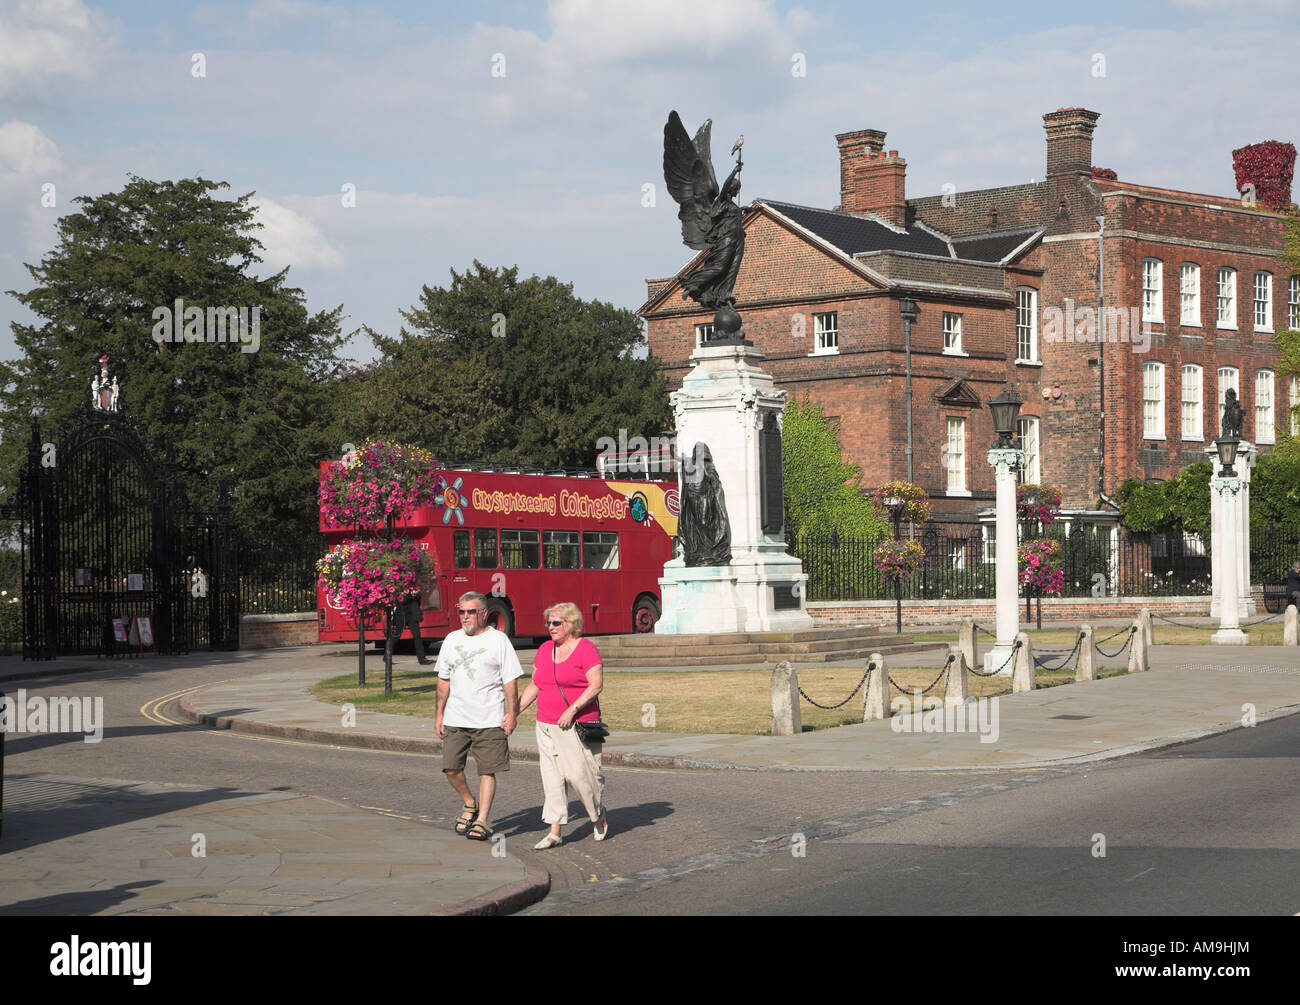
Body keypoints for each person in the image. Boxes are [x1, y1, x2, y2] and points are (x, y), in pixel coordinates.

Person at [517, 601, 608, 849]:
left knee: (580, 777)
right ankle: (555, 830)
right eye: (548, 622)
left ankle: (597, 813)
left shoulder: (586, 649)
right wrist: (514, 712)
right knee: (552, 778)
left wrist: (573, 708)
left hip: (576, 725)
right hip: (545, 724)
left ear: (571, 624)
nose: (550, 627)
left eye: (556, 623)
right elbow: (536, 684)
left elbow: (596, 685)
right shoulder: (545, 649)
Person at [434, 591, 522, 841]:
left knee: (487, 770)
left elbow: (511, 683)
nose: (465, 617)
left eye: (470, 612)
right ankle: (469, 803)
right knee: (451, 767)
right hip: (455, 718)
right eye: (461, 611)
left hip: (489, 717)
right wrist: (439, 713)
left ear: (484, 613)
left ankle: (482, 819)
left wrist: (512, 714)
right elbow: (443, 680)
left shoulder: (499, 641)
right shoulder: (451, 639)